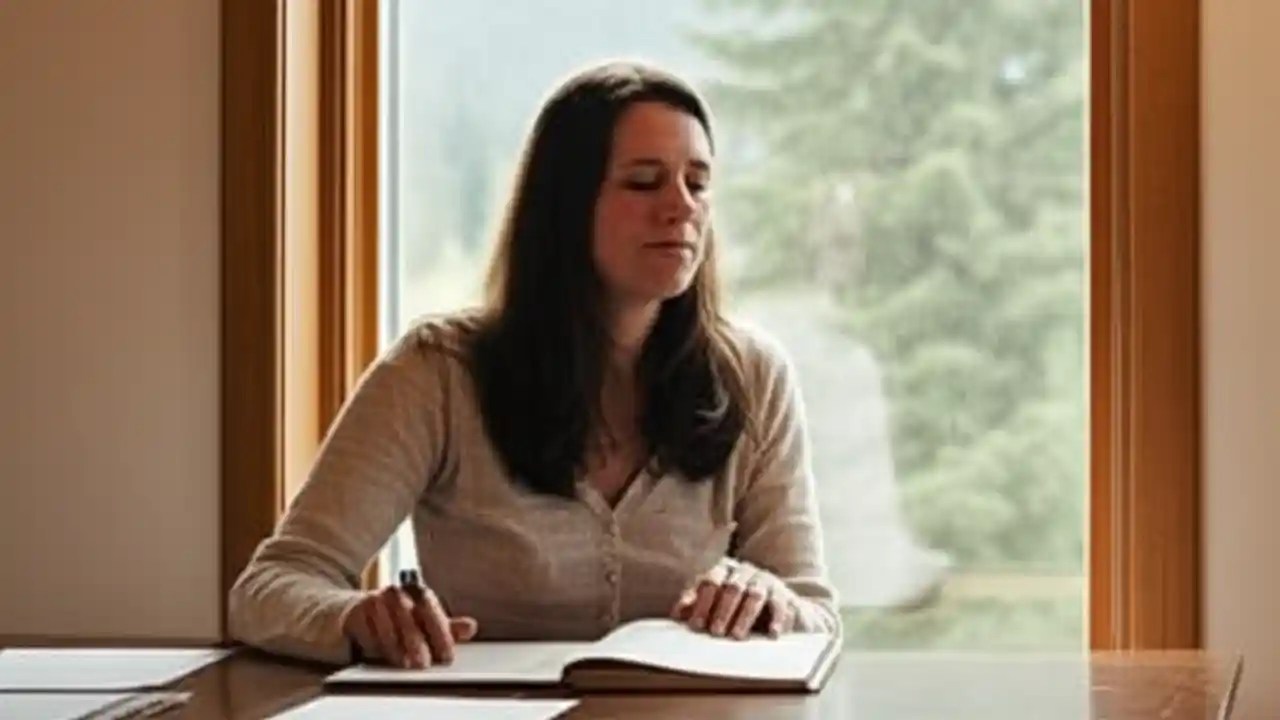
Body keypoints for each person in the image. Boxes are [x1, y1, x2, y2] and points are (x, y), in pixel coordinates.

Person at [228, 60, 840, 669]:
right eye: (644, 181)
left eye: (698, 183)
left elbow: (815, 614)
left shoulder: (755, 377)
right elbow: (269, 589)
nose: (681, 207)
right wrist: (355, 619)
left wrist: (775, 602)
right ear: (566, 206)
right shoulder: (438, 373)